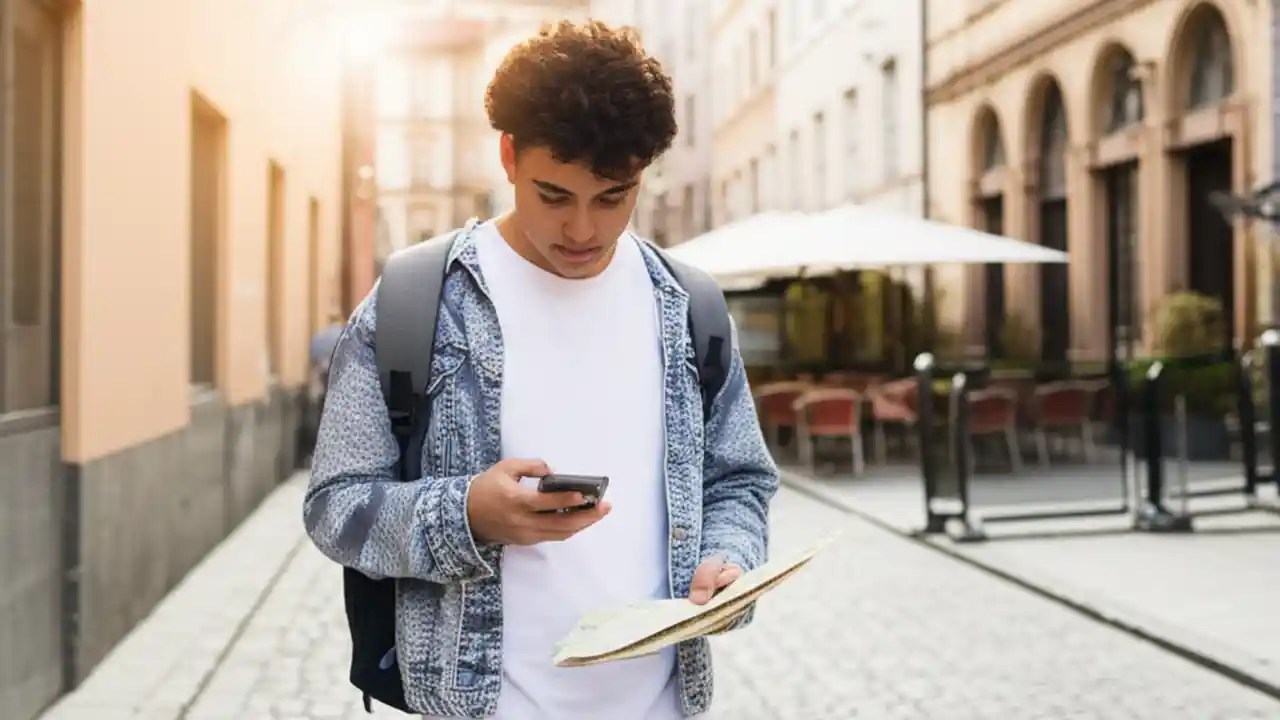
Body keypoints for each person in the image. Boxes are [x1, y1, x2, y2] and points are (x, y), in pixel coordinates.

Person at [304, 19, 778, 720]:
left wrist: (727, 560)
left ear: (643, 174)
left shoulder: (689, 308)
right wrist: (468, 513)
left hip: (663, 704)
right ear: (508, 156)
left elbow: (738, 478)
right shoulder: (416, 300)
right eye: (554, 195)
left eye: (612, 196)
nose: (582, 229)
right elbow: (335, 506)